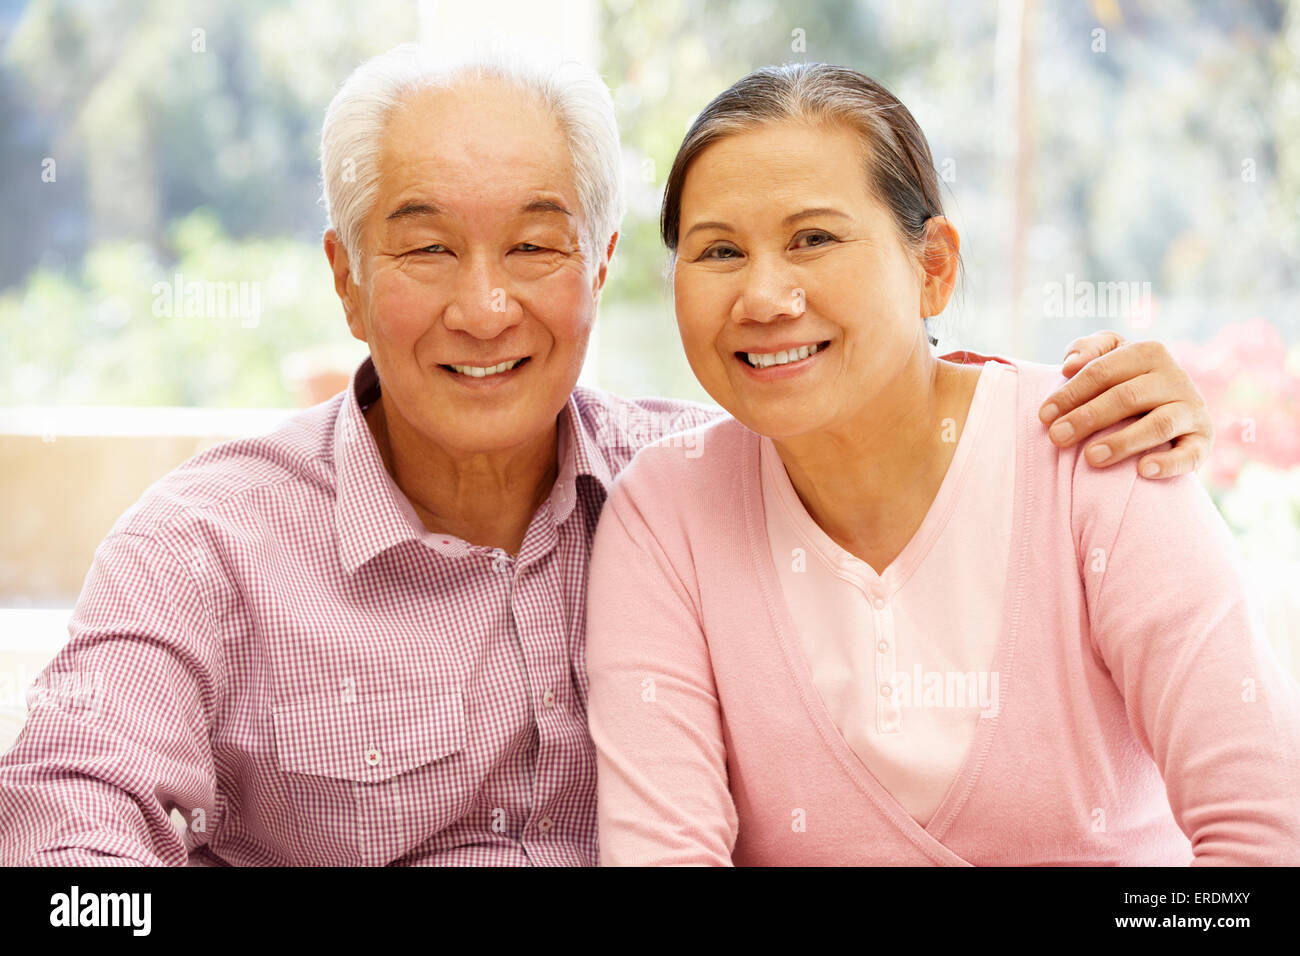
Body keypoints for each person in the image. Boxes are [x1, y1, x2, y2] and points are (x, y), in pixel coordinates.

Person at [0, 46, 1216, 867]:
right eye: (425, 249)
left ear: (598, 265)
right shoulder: (207, 542)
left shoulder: (712, 488)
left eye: (536, 246)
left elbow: (887, 393)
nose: (485, 310)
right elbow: (61, 834)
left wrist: (1098, 405)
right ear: (347, 280)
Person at [584, 62, 1300, 866]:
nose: (763, 296)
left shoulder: (1096, 455)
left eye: (813, 238)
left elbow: (1264, 837)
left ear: (933, 268)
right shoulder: (665, 515)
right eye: (719, 251)